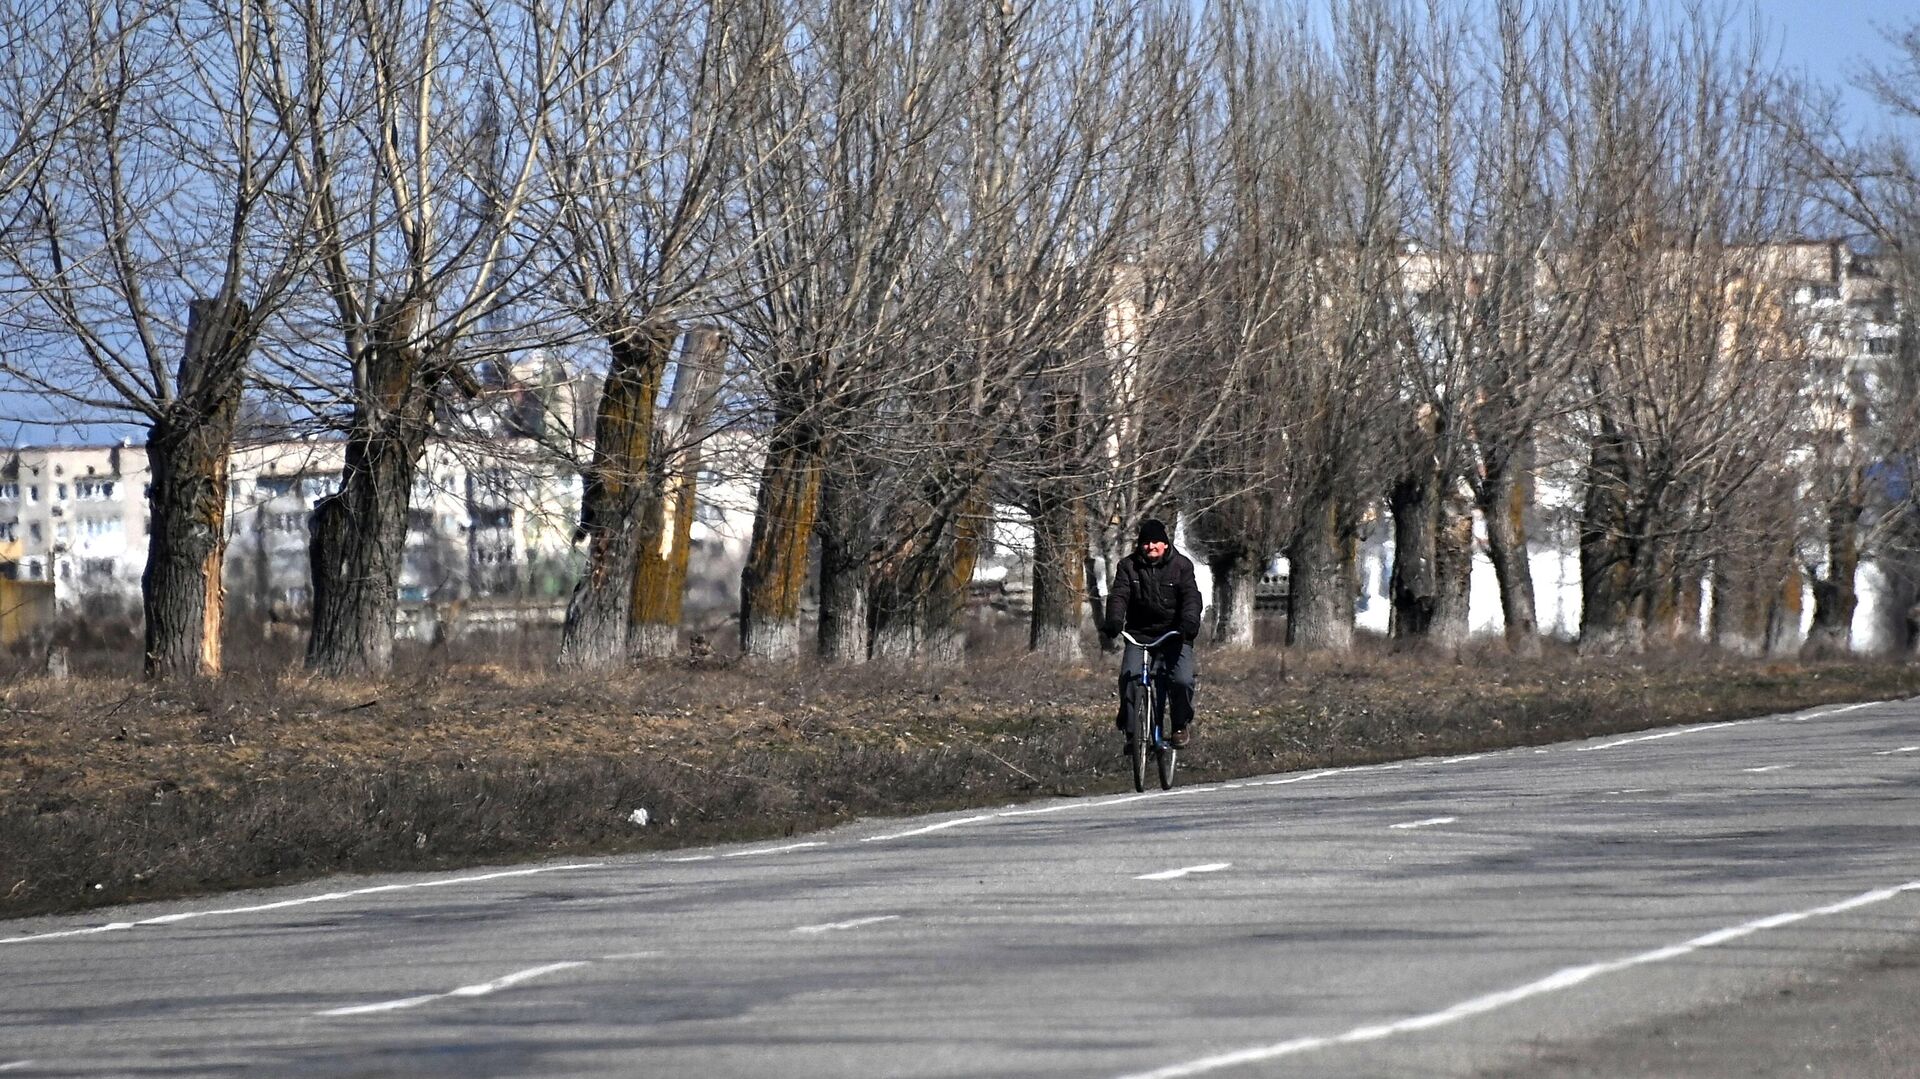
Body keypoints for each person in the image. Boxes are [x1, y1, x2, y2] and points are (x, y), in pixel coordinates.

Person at [1102, 518, 1202, 749]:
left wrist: (1189, 622)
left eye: (1156, 542)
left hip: (1175, 634)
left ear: (1166, 544)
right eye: (1146, 543)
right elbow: (1119, 596)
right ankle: (1132, 733)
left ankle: (1179, 724)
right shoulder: (1128, 566)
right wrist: (1115, 620)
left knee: (1182, 680)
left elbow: (1191, 598)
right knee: (1129, 677)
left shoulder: (1181, 566)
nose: (1151, 547)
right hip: (1139, 635)